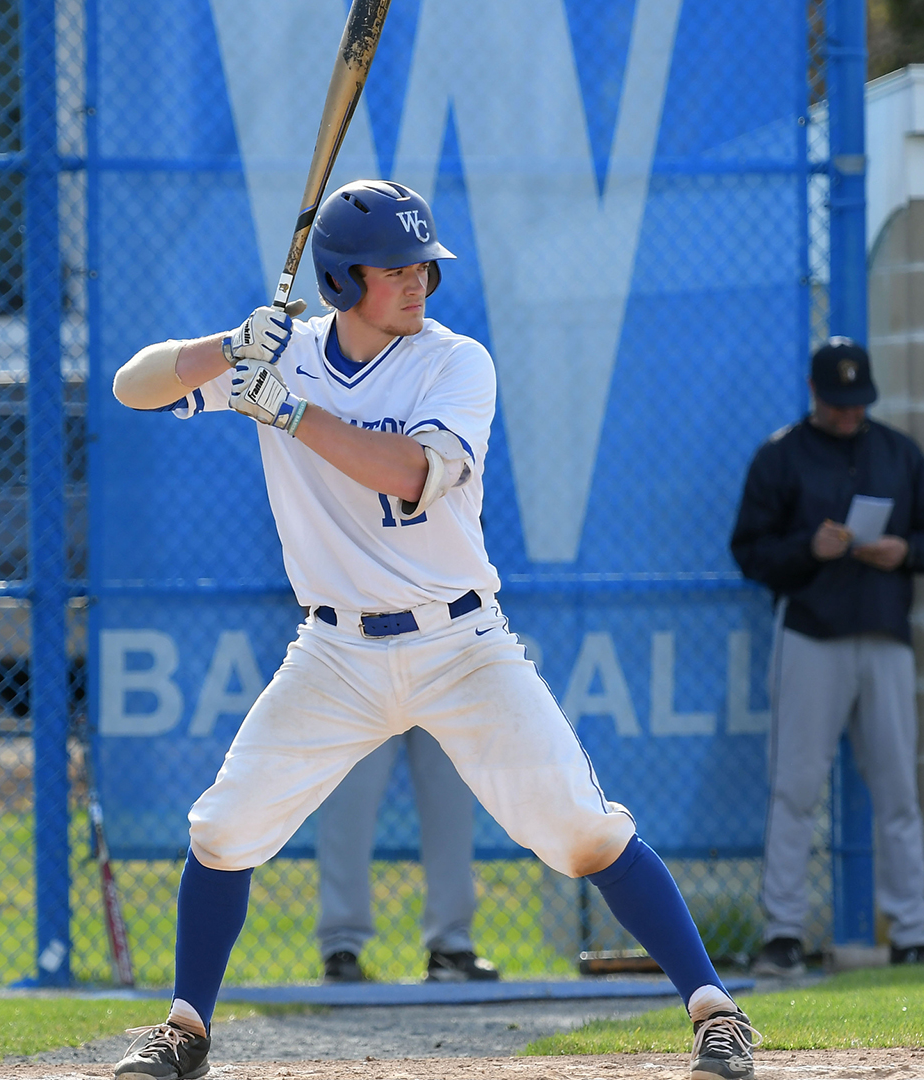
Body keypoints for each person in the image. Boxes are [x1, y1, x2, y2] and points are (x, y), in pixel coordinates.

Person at [108, 180, 759, 1080]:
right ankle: (185, 1030)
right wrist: (222, 350)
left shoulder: (457, 363)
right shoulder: (282, 356)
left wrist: (287, 411)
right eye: (395, 269)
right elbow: (129, 387)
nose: (418, 282)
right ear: (340, 280)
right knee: (223, 829)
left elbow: (410, 471)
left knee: (582, 832)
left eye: (425, 266)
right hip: (334, 651)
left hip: (461, 645)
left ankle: (716, 1013)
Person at [728, 340, 924, 976]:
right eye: (837, 403)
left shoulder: (897, 452)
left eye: (857, 403)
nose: (849, 414)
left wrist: (903, 551)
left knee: (898, 790)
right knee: (795, 788)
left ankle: (912, 933)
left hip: (884, 634)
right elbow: (749, 551)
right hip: (810, 631)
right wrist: (810, 548)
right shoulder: (782, 455)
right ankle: (783, 933)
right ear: (814, 392)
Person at [315, 728, 497, 984]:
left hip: (440, 687)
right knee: (350, 801)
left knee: (451, 802)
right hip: (367, 687)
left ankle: (450, 946)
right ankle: (340, 948)